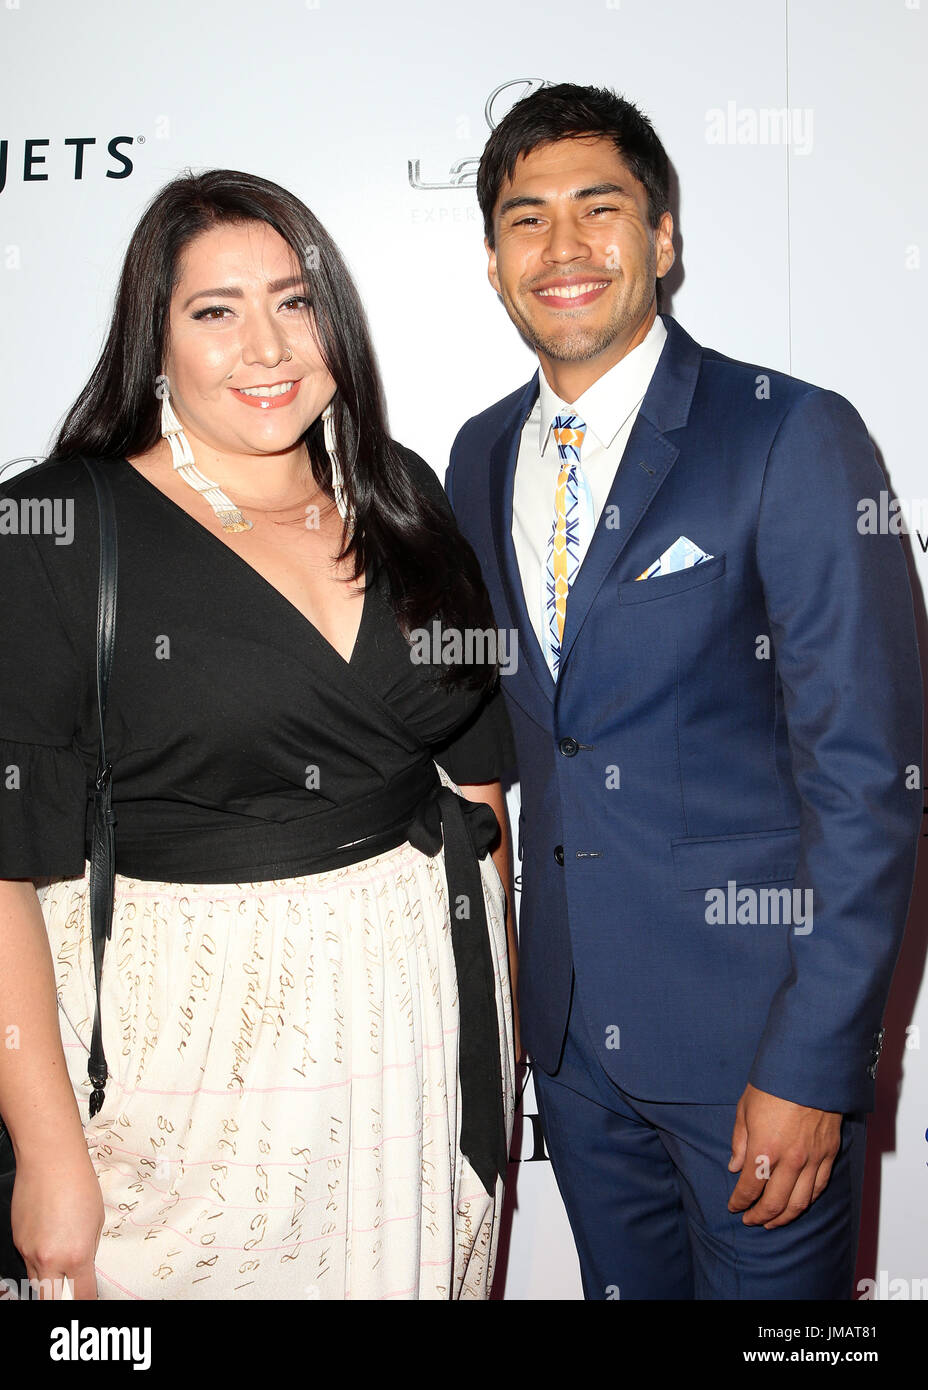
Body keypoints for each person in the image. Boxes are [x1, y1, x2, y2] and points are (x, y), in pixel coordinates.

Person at [0, 168, 516, 1300]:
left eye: (293, 301)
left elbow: (478, 794)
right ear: (155, 338)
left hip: (419, 1028)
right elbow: (2, 873)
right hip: (193, 1054)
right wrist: (45, 1155)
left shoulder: (402, 497)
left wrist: (498, 1035)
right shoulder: (60, 525)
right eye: (214, 311)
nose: (267, 347)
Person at [445, 82, 922, 1299]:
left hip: (752, 1042)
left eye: (598, 209)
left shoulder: (787, 435)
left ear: (662, 239)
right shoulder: (478, 451)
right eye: (524, 218)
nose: (561, 249)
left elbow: (867, 781)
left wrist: (818, 1063)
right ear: (494, 261)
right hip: (569, 1045)